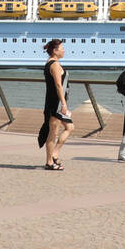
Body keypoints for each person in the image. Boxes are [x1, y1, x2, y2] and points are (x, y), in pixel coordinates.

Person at [40, 39, 73, 170]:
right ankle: (49, 162)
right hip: (55, 103)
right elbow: (58, 85)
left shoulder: (52, 63)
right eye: (62, 48)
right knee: (52, 133)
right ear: (55, 50)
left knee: (70, 127)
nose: (64, 50)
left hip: (56, 102)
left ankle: (55, 153)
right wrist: (64, 104)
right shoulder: (54, 64)